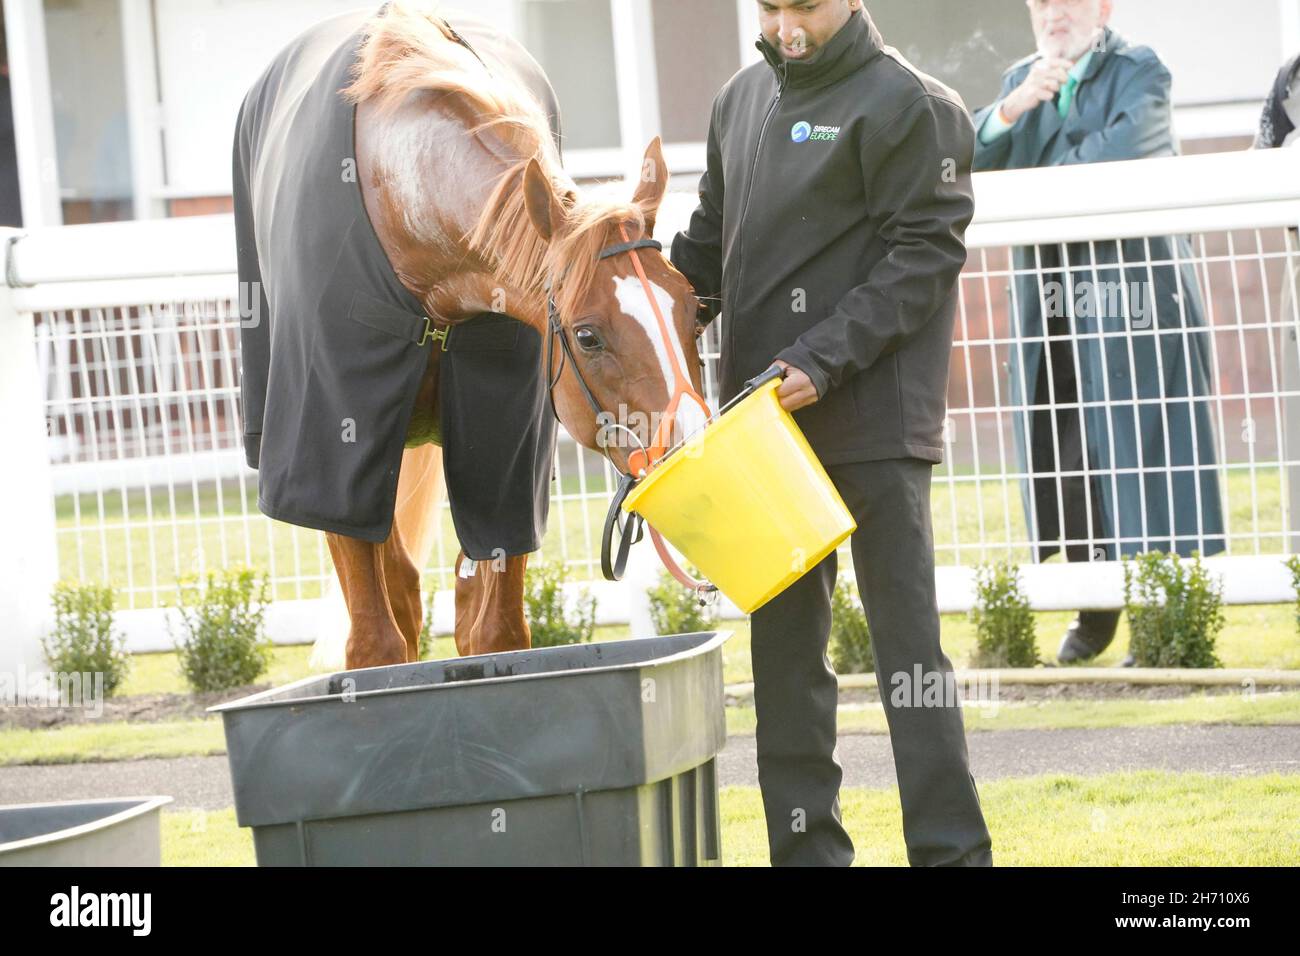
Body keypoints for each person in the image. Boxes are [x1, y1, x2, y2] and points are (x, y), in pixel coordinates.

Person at [671, 0, 992, 866]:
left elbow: (925, 252)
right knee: (785, 674)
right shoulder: (737, 102)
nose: (786, 25)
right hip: (762, 437)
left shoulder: (915, 105)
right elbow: (702, 252)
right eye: (771, 7)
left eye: (803, 6)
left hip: (876, 426)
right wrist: (643, 307)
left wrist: (823, 356)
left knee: (909, 664)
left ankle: (953, 855)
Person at [972, 0, 1225, 665]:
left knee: (1144, 443)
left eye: (1070, 0)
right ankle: (1096, 604)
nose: (1054, 13)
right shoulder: (1019, 83)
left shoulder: (1141, 70)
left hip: (1131, 299)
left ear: (1102, 7)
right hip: (1051, 303)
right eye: (1041, 2)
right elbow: (966, 161)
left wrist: (1024, 186)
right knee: (1071, 445)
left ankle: (1164, 611)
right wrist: (1011, 111)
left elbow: (1113, 163)